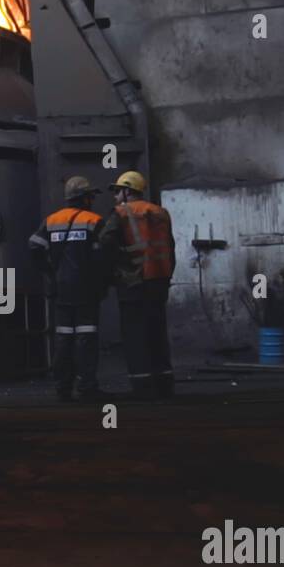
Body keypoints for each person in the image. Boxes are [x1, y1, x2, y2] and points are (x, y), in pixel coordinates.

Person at [28, 176, 112, 403]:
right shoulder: (94, 221)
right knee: (86, 338)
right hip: (86, 289)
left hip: (60, 289)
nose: (93, 199)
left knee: (63, 339)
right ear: (84, 198)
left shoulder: (52, 220)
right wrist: (104, 283)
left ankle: (62, 388)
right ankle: (87, 387)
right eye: (91, 196)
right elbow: (103, 257)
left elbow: (34, 246)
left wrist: (49, 273)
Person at [101, 170, 176, 399]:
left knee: (136, 336)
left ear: (127, 191)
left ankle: (143, 388)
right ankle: (164, 384)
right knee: (157, 334)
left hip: (135, 283)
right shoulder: (160, 212)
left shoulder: (121, 213)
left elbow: (106, 243)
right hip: (159, 281)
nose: (115, 196)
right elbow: (170, 248)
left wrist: (117, 269)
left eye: (117, 191)